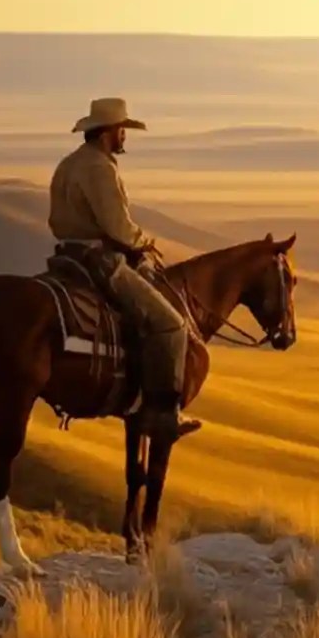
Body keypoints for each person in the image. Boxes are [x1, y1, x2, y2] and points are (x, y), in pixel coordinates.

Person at [47, 97, 200, 439]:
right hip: (99, 259)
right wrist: (143, 241)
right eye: (121, 130)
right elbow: (117, 226)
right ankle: (164, 414)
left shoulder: (69, 163)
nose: (123, 137)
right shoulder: (100, 167)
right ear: (107, 133)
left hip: (66, 255)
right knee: (171, 325)